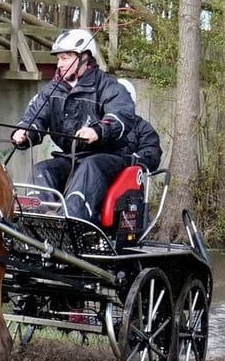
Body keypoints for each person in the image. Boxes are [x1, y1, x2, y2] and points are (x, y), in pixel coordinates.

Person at [11, 28, 140, 222]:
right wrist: (25, 132)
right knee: (42, 170)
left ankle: (71, 222)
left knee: (89, 166)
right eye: (58, 59)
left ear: (84, 57)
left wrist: (98, 131)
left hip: (106, 158)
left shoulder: (108, 86)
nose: (60, 64)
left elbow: (121, 115)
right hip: (69, 157)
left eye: (65, 58)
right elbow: (35, 117)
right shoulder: (52, 90)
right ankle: (38, 223)